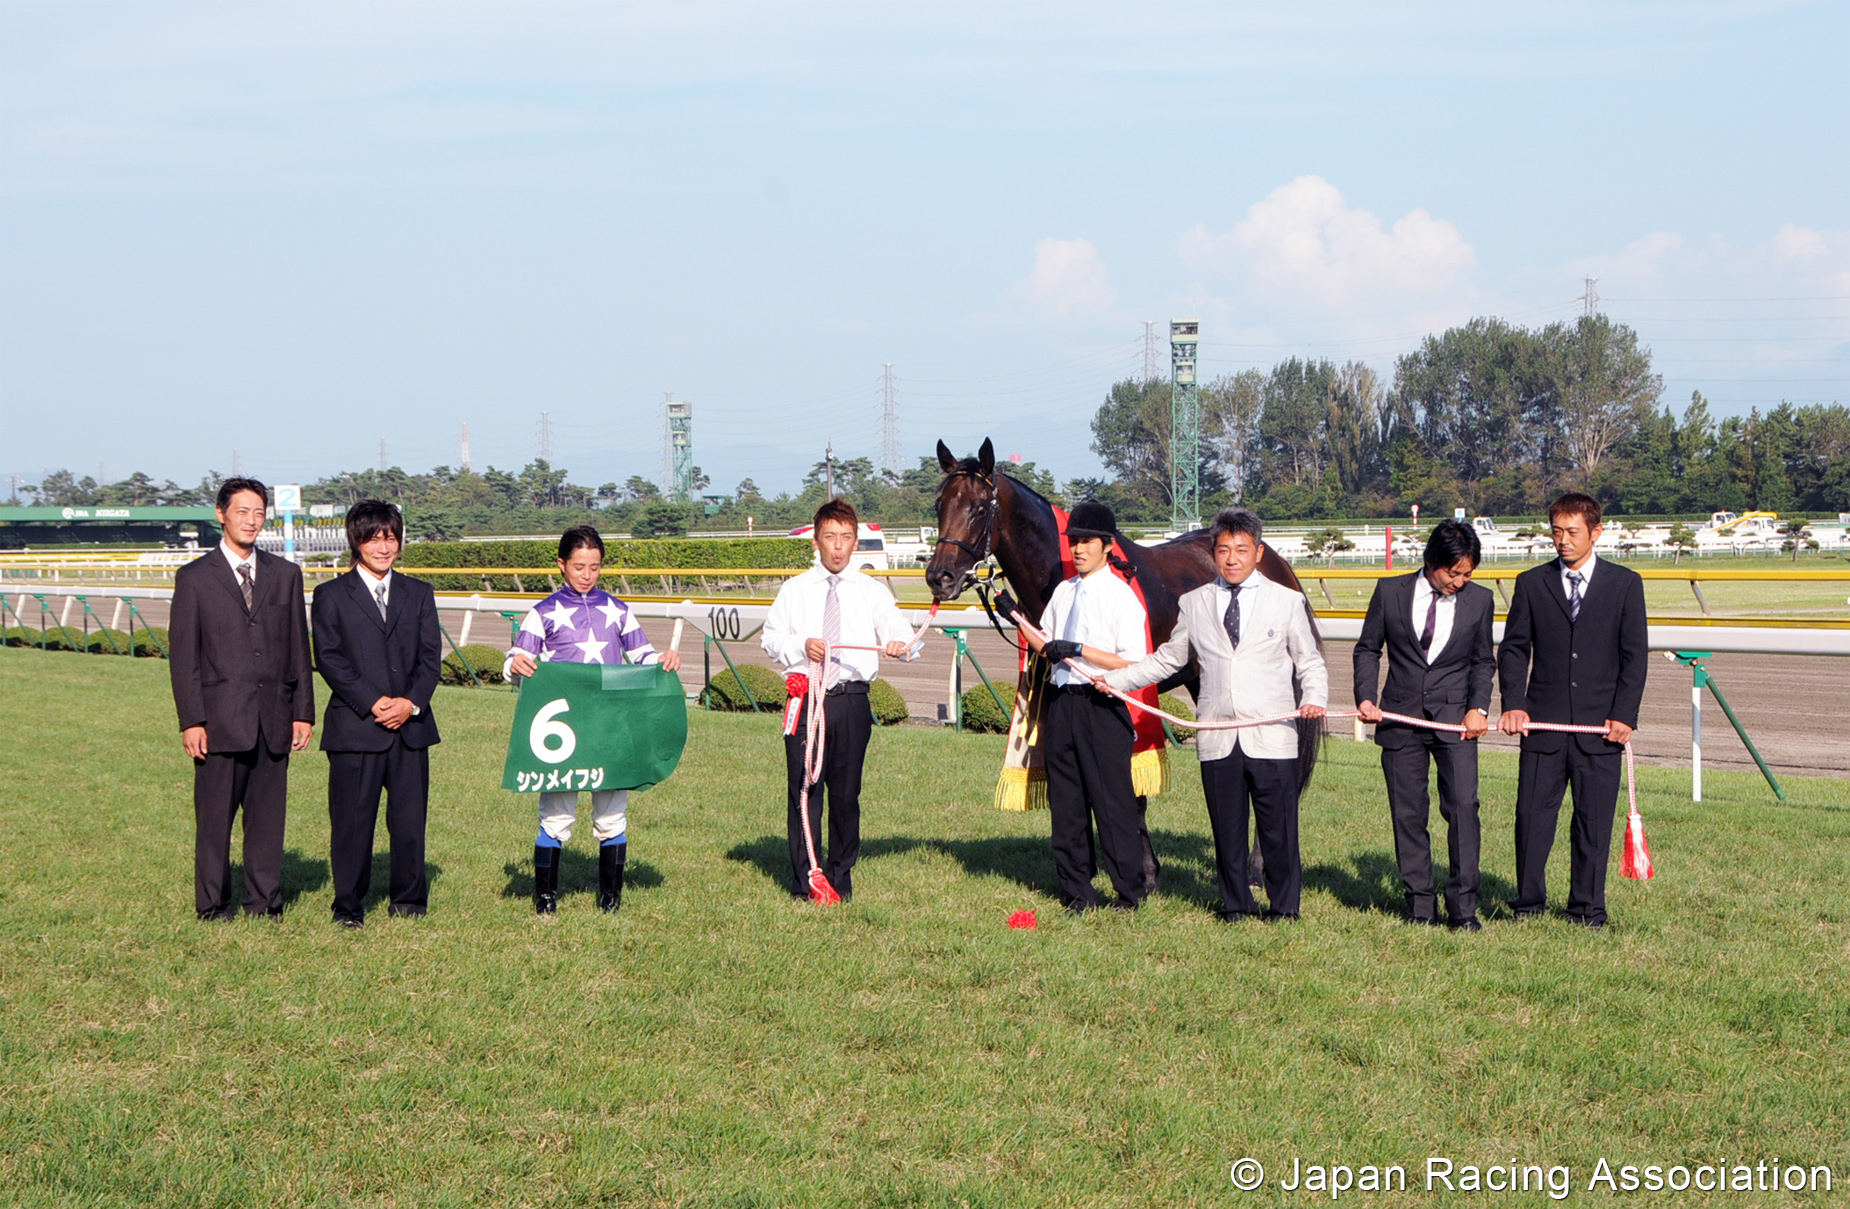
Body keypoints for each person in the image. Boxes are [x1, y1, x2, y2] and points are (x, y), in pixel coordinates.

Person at [1103, 508, 1327, 921]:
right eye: (1224, 550)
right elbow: (1168, 660)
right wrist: (1115, 681)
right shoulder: (1195, 603)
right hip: (1218, 734)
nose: (1232, 559)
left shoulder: (1287, 601)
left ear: (1258, 552)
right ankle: (1235, 905)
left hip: (1272, 731)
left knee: (1278, 829)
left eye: (1242, 550)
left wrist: (1314, 697)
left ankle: (1284, 908)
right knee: (1226, 829)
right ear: (1214, 553)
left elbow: (1309, 662)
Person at [506, 525, 682, 914]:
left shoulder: (618, 610)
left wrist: (662, 660)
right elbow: (515, 660)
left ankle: (610, 900)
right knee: (557, 816)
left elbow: (642, 656)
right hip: (563, 731)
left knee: (612, 814)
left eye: (595, 567)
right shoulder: (543, 613)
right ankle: (545, 899)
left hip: (610, 726)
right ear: (561, 565)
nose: (587, 575)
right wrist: (514, 664)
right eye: (579, 566)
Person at [1498, 492, 1648, 928]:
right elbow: (1513, 650)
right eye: (1557, 532)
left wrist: (1625, 714)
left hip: (1601, 730)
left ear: (1596, 532)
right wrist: (1514, 705)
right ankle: (1528, 904)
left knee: (1593, 824)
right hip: (1541, 728)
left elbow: (1634, 656)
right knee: (1531, 818)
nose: (1562, 541)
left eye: (1572, 532)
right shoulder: (1531, 583)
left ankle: (1587, 908)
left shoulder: (1625, 584)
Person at [168, 477, 315, 920]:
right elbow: (184, 657)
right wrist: (192, 720)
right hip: (217, 721)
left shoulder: (285, 574)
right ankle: (213, 905)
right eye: (242, 511)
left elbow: (297, 649)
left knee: (268, 823)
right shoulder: (194, 578)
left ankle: (265, 903)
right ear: (221, 514)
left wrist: (303, 713)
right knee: (214, 823)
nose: (251, 521)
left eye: (258, 513)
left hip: (274, 718)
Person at [761, 498, 914, 901]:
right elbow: (770, 638)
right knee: (805, 791)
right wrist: (801, 644)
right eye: (830, 537)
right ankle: (805, 881)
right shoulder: (794, 591)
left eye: (846, 537)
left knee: (846, 795)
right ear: (817, 540)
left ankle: (839, 878)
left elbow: (898, 627)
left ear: (856, 541)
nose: (838, 546)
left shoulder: (870, 591)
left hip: (852, 702)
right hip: (807, 699)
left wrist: (901, 642)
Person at [1352, 519, 1495, 930]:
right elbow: (1368, 648)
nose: (1460, 582)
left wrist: (1478, 709)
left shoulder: (1480, 601)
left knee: (1463, 809)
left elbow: (1484, 660)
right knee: (1408, 814)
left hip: (1456, 723)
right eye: (1454, 573)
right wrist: (1366, 696)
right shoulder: (1389, 592)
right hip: (1399, 719)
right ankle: (1420, 904)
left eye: (1468, 574)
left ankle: (1463, 907)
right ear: (1431, 561)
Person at [310, 500, 443, 929]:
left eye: (390, 537)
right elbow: (329, 659)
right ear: (356, 540)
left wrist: (409, 703)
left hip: (411, 728)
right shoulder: (330, 594)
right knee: (352, 823)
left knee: (408, 822)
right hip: (356, 728)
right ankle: (348, 906)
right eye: (373, 537)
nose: (383, 546)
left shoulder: (418, 593)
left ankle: (409, 901)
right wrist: (373, 702)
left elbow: (430, 659)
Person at [1017, 500, 1152, 913]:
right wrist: (1013, 615)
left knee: (1112, 804)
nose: (1077, 549)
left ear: (1107, 545)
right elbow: (1048, 646)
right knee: (1067, 804)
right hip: (1063, 704)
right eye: (1073, 541)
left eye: (1086, 542)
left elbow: (1133, 662)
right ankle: (1078, 891)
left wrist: (1081, 650)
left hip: (1102, 705)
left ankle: (1129, 893)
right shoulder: (1064, 591)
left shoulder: (1121, 597)